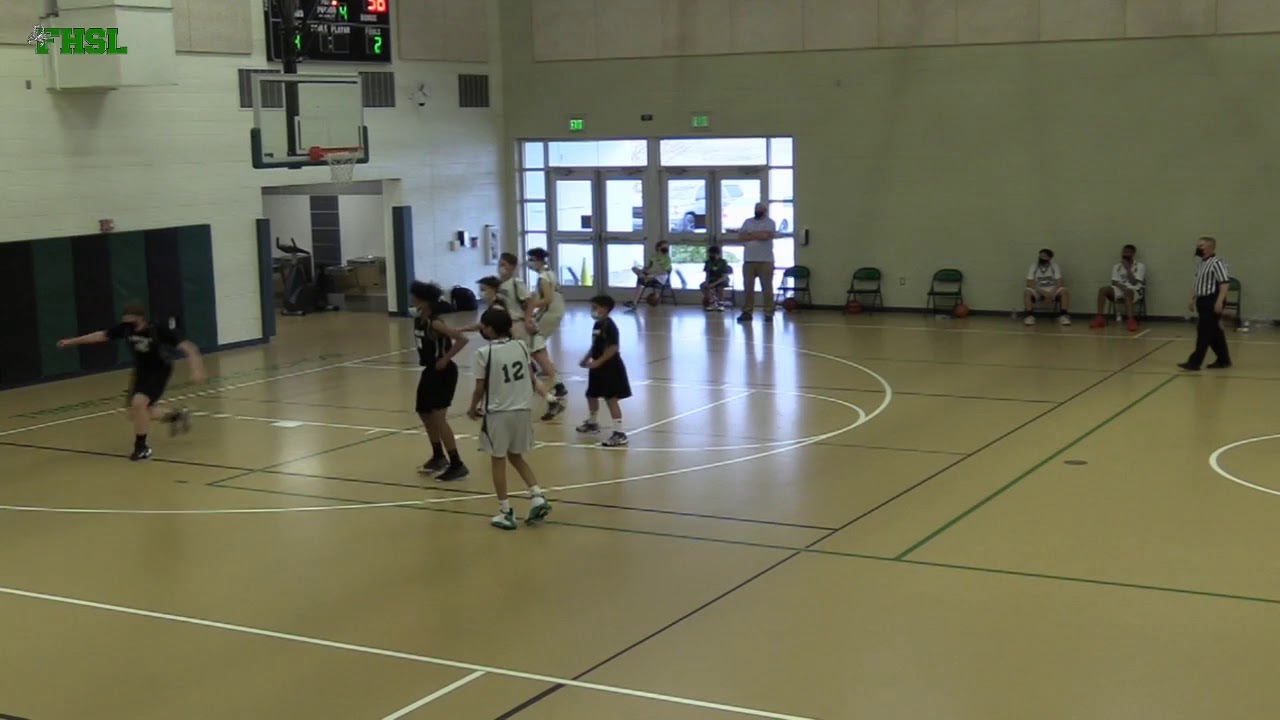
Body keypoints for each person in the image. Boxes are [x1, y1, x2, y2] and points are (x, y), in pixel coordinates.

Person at [56, 302, 206, 460]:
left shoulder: (157, 329)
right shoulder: (125, 328)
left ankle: (142, 448)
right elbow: (100, 335)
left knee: (139, 403)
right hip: (141, 370)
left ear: (140, 318)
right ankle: (176, 415)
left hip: (160, 369)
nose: (130, 326)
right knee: (136, 413)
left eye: (132, 322)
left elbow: (189, 348)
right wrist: (72, 342)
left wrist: (197, 369)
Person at [466, 307, 552, 530]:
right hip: (523, 411)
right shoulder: (521, 346)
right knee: (516, 456)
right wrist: (547, 396)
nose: (481, 330)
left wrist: (472, 407)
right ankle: (537, 496)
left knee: (498, 460)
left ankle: (505, 511)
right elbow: (532, 378)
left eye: (483, 326)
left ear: (491, 329)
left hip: (498, 413)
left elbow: (480, 388)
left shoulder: (484, 353)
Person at [465, 274, 565, 420]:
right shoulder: (497, 305)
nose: (481, 292)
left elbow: (498, 325)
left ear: (493, 290)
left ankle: (554, 394)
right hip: (516, 342)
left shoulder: (497, 308)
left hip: (512, 344)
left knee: (498, 375)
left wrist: (460, 330)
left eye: (483, 289)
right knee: (529, 376)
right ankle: (552, 400)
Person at [409, 281, 469, 481]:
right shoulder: (419, 319)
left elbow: (462, 339)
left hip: (443, 372)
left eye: (414, 296)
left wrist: (446, 358)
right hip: (429, 370)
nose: (412, 299)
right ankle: (438, 456)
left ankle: (457, 463)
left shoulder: (435, 322)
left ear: (423, 300)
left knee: (438, 417)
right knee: (424, 412)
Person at [577, 295, 631, 448]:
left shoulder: (610, 326)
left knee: (610, 399)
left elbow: (613, 348)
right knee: (591, 394)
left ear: (605, 308)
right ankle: (593, 422)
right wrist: (586, 358)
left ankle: (619, 433)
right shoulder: (597, 325)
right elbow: (595, 345)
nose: (593, 311)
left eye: (595, 308)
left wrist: (599, 362)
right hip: (597, 366)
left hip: (610, 367)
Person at [1179, 236, 1232, 371]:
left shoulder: (1217, 262)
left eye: (1201, 246)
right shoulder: (1201, 263)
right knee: (1214, 332)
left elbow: (1224, 283)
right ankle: (1224, 360)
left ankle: (1194, 362)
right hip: (1202, 300)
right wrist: (1193, 298)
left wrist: (1219, 301)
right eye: (1198, 245)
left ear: (1210, 248)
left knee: (1203, 331)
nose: (1198, 248)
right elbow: (1201, 284)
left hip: (1212, 300)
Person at [1089, 244, 1146, 332]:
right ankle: (1100, 318)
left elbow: (1134, 282)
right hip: (1120, 288)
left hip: (1135, 290)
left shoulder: (1140, 266)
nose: (1125, 254)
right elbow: (1114, 282)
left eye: (1128, 252)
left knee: (1128, 292)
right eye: (1124, 252)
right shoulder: (1117, 266)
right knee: (1103, 290)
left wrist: (1128, 269)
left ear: (1133, 253)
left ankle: (1131, 321)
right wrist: (1122, 287)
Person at [737, 202, 777, 323]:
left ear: (765, 211)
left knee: (767, 289)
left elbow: (766, 236)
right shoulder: (747, 221)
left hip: (766, 261)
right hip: (749, 260)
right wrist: (757, 234)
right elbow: (741, 236)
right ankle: (747, 312)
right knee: (748, 288)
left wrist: (750, 234)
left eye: (760, 209)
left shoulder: (770, 222)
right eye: (756, 209)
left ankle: (768, 312)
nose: (757, 211)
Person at [1022, 248, 1071, 326]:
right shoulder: (1034, 265)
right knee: (1027, 292)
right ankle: (1029, 316)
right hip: (1039, 290)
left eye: (1045, 256)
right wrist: (1043, 293)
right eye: (1041, 256)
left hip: (1052, 290)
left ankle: (1063, 316)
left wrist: (1051, 293)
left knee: (1064, 291)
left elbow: (1059, 282)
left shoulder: (1054, 266)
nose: (1042, 258)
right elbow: (1029, 283)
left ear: (1050, 258)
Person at [625, 241, 672, 310]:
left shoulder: (667, 259)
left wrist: (652, 275)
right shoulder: (653, 256)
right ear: (658, 247)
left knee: (642, 279)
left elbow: (664, 271)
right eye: (664, 246)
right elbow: (648, 267)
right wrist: (642, 270)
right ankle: (634, 303)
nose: (666, 248)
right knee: (636, 271)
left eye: (666, 247)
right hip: (649, 274)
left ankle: (635, 302)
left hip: (659, 277)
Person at [701, 245, 732, 311]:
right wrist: (707, 283)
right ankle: (711, 302)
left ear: (717, 254)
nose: (711, 255)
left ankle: (721, 304)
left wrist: (714, 284)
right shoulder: (708, 262)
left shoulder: (723, 262)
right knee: (705, 286)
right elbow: (707, 274)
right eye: (710, 253)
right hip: (712, 279)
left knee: (719, 287)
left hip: (722, 280)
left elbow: (724, 277)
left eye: (713, 254)